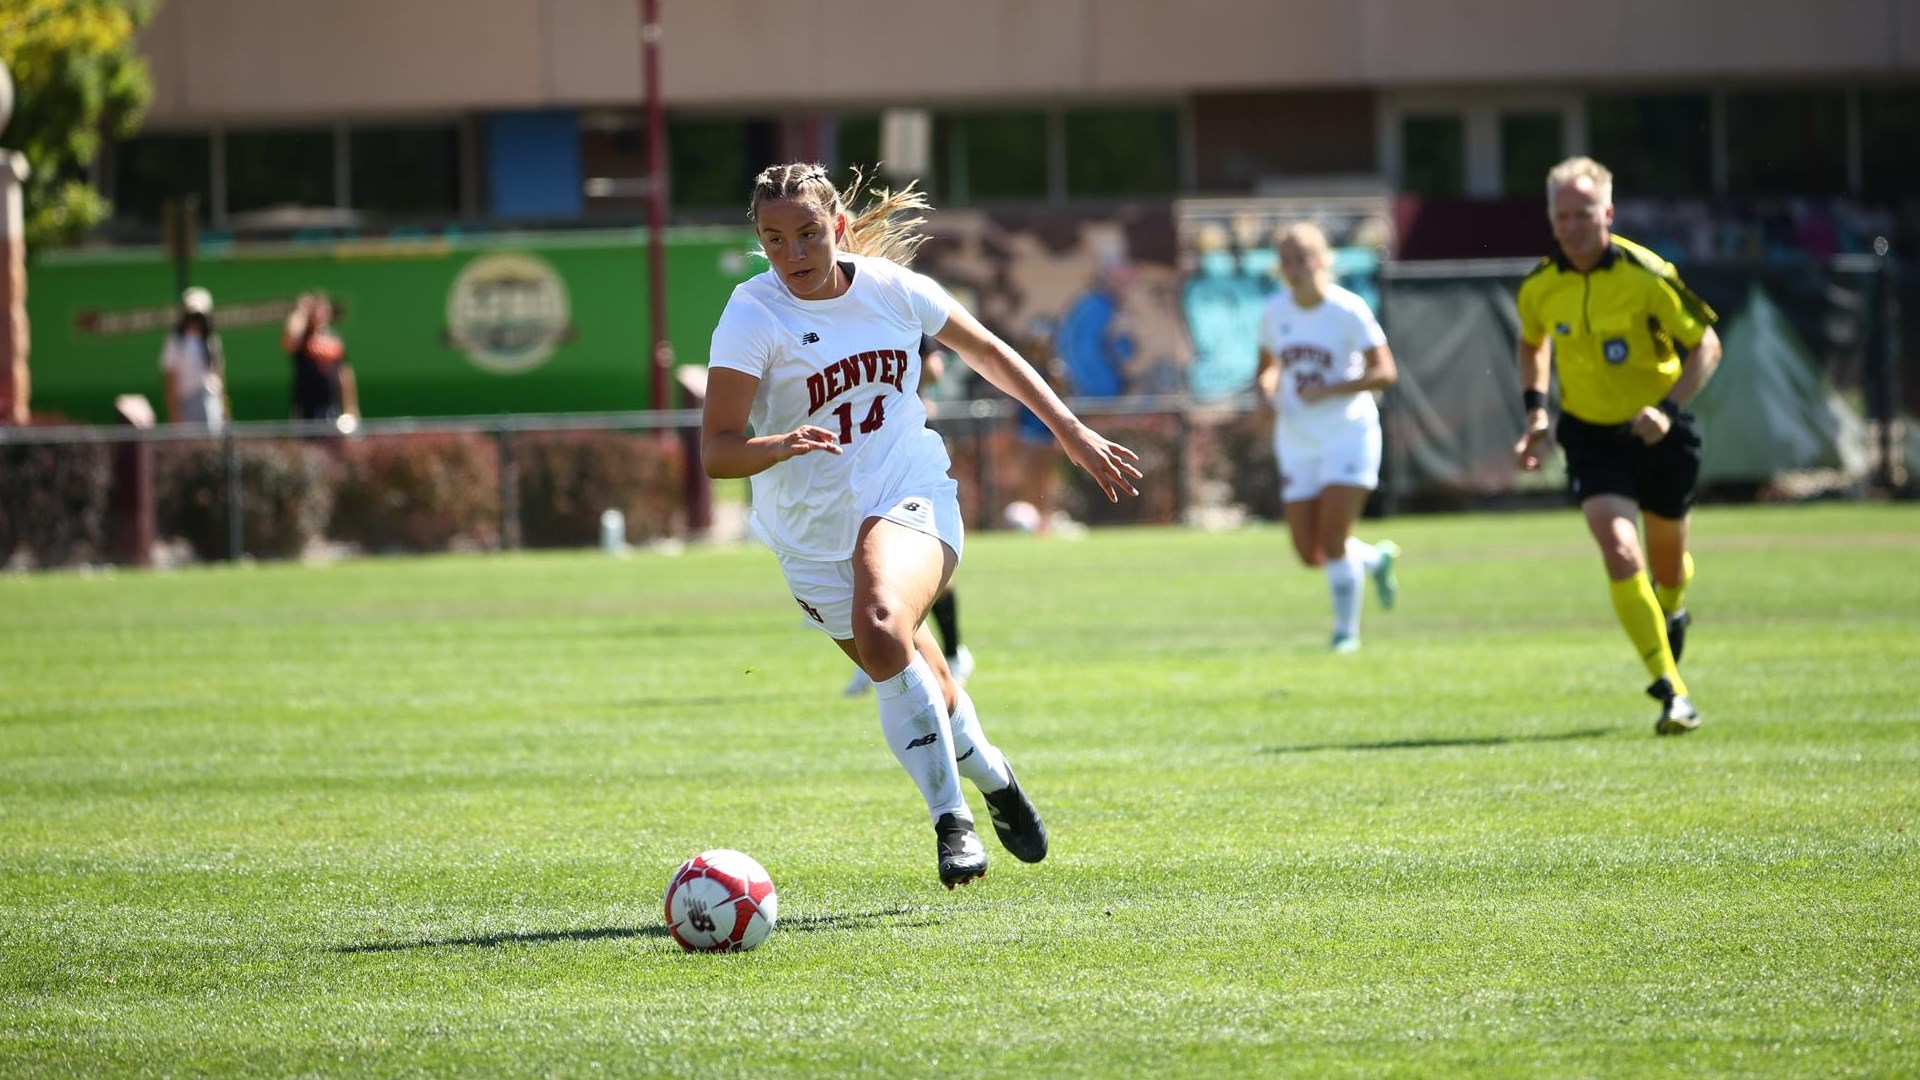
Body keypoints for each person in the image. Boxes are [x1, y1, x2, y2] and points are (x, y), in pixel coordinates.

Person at [703, 162, 1142, 889]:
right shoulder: (752, 314)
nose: (794, 254)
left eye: (809, 233)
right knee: (920, 681)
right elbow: (718, 452)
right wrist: (775, 445)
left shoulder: (892, 290)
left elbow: (990, 352)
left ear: (839, 228)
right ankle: (995, 777)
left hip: (907, 488)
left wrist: (1068, 429)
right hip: (807, 533)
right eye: (774, 240)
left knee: (881, 622)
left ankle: (952, 820)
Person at [1513, 156, 1723, 736]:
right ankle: (1672, 691)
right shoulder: (1539, 286)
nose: (1573, 225)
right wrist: (1536, 413)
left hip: (1658, 432)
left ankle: (1674, 602)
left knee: (1665, 564)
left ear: (1607, 212)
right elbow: (1533, 345)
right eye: (1562, 215)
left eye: (1583, 213)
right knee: (1619, 551)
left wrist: (1666, 410)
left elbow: (1705, 345)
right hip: (1589, 434)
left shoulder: (1646, 273)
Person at [1254, 222, 1401, 653]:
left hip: (1347, 434)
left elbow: (1385, 372)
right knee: (1309, 552)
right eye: (1287, 260)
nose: (1296, 267)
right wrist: (1264, 389)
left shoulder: (1347, 309)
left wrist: (1332, 389)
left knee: (1334, 540)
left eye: (1303, 257)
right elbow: (1267, 365)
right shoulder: (1274, 311)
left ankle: (1345, 633)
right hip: (1297, 438)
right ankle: (1374, 560)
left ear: (1321, 260)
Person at [843, 335, 974, 696]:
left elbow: (935, 365)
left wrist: (902, 388)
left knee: (919, 575)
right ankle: (878, 659)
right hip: (864, 460)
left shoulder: (903, 314)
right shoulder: (846, 322)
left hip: (910, 452)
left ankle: (950, 652)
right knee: (862, 567)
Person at [283, 291, 358, 429]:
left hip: (332, 407)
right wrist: (300, 311)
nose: (320, 314)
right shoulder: (301, 338)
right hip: (306, 407)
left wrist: (350, 408)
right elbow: (289, 339)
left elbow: (345, 374)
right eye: (316, 310)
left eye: (323, 309)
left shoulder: (335, 339)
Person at [158, 287, 228, 429]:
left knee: (212, 447)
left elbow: (218, 375)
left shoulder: (212, 340)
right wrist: (174, 413)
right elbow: (169, 378)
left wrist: (224, 409)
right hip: (186, 402)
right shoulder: (176, 342)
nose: (197, 318)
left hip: (211, 400)